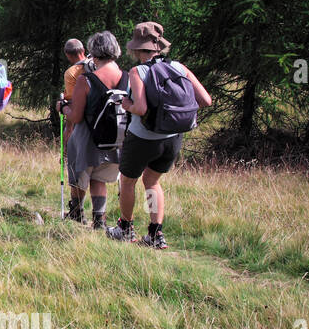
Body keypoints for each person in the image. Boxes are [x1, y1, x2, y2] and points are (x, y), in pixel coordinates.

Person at [106, 22, 211, 249]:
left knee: (127, 181)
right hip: (172, 138)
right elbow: (206, 100)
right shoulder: (179, 68)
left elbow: (141, 108)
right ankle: (155, 234)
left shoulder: (138, 71)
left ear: (136, 49)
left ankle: (125, 228)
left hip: (143, 138)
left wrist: (127, 104)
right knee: (152, 181)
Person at [64, 31, 124, 229]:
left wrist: (63, 108)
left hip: (87, 138)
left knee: (79, 178)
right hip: (115, 138)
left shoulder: (86, 80)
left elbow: (76, 115)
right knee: (100, 179)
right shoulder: (127, 77)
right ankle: (100, 220)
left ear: (93, 52)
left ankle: (76, 213)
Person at [58, 37, 93, 216]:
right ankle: (98, 216)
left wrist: (62, 106)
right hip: (100, 126)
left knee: (75, 168)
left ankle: (76, 210)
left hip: (80, 124)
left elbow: (72, 103)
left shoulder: (72, 72)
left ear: (67, 54)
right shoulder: (97, 65)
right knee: (95, 173)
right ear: (83, 49)